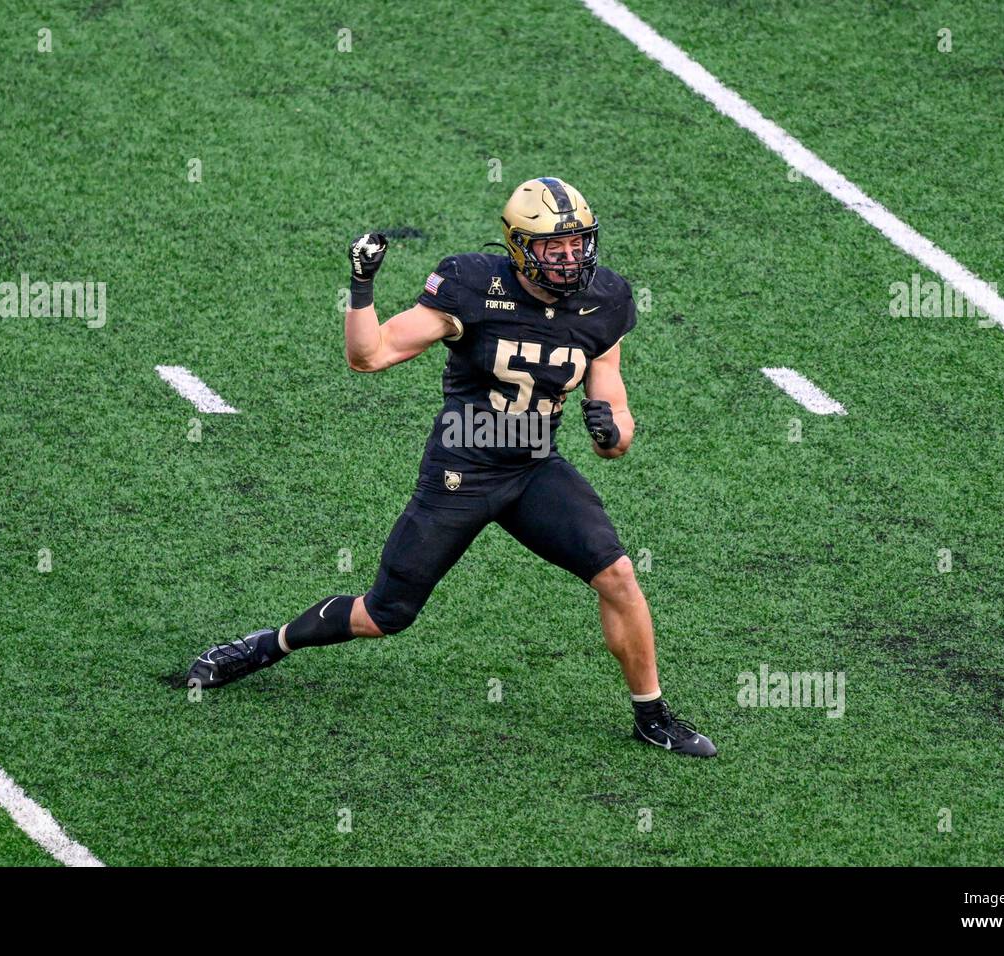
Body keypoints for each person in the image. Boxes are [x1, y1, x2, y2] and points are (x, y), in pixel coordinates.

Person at [186, 177, 716, 757]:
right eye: (553, 248)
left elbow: (614, 414)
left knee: (617, 577)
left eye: (577, 245)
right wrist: (362, 286)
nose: (570, 259)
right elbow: (369, 357)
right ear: (518, 247)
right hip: (462, 468)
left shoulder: (605, 300)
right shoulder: (471, 284)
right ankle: (270, 643)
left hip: (536, 466)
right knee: (385, 613)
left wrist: (613, 430)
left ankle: (651, 714)